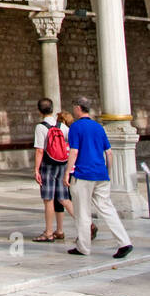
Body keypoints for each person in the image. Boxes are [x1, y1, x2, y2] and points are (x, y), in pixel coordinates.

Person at [66, 97, 132, 259]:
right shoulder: (98, 127)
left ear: (78, 108)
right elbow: (108, 153)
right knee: (107, 209)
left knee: (83, 212)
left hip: (83, 174)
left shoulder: (76, 127)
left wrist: (67, 172)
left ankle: (83, 247)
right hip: (100, 174)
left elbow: (74, 151)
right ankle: (124, 242)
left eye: (74, 107)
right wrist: (107, 173)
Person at [32, 99, 76, 242]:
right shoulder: (62, 126)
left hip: (48, 165)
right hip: (62, 165)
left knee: (48, 199)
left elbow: (39, 150)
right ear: (52, 109)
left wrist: (36, 170)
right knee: (64, 198)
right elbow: (72, 142)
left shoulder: (41, 127)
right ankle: (87, 225)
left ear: (39, 111)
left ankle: (49, 232)